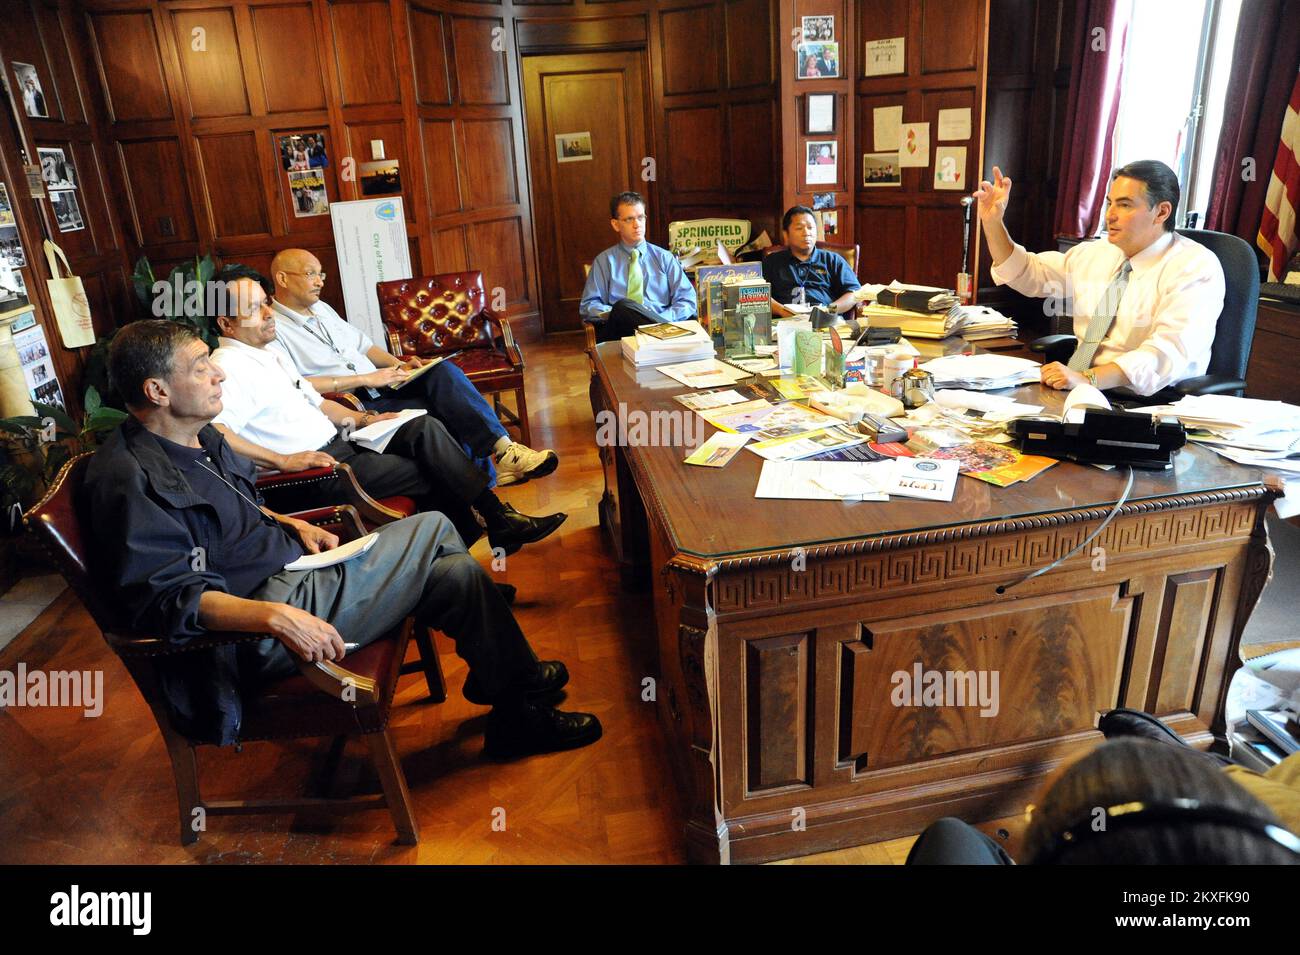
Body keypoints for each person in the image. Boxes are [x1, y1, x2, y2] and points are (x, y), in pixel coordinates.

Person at [81, 319, 601, 755]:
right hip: (254, 630)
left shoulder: (201, 436)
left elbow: (237, 509)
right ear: (157, 390)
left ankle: (514, 705)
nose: (218, 373)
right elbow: (169, 601)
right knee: (434, 529)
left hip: (293, 578)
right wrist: (274, 616)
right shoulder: (128, 480)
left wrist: (292, 523)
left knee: (454, 572)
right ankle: (515, 683)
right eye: (200, 367)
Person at [208, 277, 565, 556]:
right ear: (226, 322)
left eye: (267, 304)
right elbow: (216, 432)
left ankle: (489, 527)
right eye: (256, 309)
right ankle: (479, 538)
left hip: (342, 442)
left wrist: (364, 421)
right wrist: (282, 460)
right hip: (313, 473)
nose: (270, 314)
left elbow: (317, 402)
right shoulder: (227, 366)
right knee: (435, 467)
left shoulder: (269, 353)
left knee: (423, 426)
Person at [266, 248, 557, 487]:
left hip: (384, 383)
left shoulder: (323, 309)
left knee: (442, 372)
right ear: (282, 278)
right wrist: (366, 377)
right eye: (310, 274)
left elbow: (366, 346)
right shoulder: (271, 329)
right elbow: (297, 384)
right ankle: (489, 483)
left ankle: (505, 450)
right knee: (444, 410)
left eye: (321, 274)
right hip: (355, 401)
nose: (319, 281)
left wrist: (401, 364)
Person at [974, 159, 1226, 396]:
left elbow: (1165, 353)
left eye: (1125, 205)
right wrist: (993, 223)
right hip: (1081, 389)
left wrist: (1089, 379)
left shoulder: (1194, 267)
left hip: (1149, 403)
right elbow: (1029, 272)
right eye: (1110, 202)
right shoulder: (1098, 252)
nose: (1110, 215)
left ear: (1161, 213)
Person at [579, 191, 697, 344]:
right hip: (620, 334)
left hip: (664, 329)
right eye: (629, 219)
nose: (637, 224)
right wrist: (622, 313)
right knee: (624, 306)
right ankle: (654, 327)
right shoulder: (604, 261)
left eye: (641, 217)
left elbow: (688, 300)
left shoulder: (664, 258)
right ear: (615, 224)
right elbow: (589, 306)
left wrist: (658, 319)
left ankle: (656, 328)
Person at [763, 205, 861, 317]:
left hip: (825, 321)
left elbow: (854, 294)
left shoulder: (832, 260)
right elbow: (759, 295)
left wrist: (829, 310)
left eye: (810, 228)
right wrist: (782, 311)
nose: (806, 233)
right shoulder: (772, 262)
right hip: (785, 323)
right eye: (799, 228)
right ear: (786, 234)